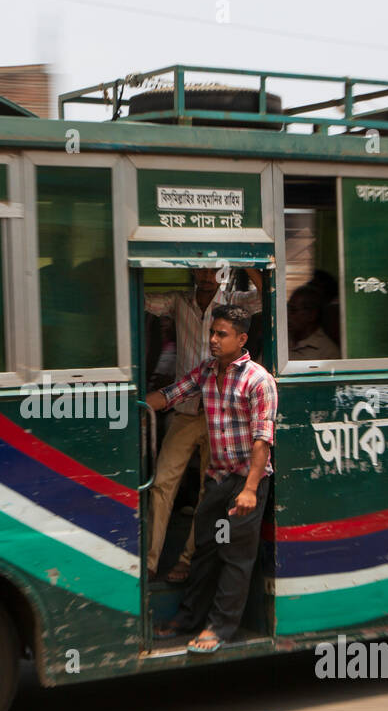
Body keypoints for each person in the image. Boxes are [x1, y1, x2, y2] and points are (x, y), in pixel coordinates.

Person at [145, 304, 277, 654]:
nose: (213, 340)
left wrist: (250, 490)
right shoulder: (207, 372)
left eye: (222, 334)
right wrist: (134, 407)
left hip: (245, 484)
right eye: (212, 333)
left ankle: (220, 629)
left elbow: (262, 441)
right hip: (218, 482)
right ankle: (188, 619)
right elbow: (172, 394)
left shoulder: (258, 380)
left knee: (235, 556)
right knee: (206, 551)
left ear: (242, 339)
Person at [143, 266, 263, 584]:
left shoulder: (234, 301)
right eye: (202, 267)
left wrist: (249, 253)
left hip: (220, 418)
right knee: (161, 485)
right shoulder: (178, 301)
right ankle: (150, 562)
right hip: (185, 410)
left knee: (206, 492)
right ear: (192, 268)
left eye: (214, 267)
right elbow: (139, 299)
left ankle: (187, 559)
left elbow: (267, 296)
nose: (208, 274)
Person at [286, 281, 340, 359]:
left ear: (311, 315)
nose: (288, 316)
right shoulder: (280, 342)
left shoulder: (327, 352)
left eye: (293, 310)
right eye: (287, 309)